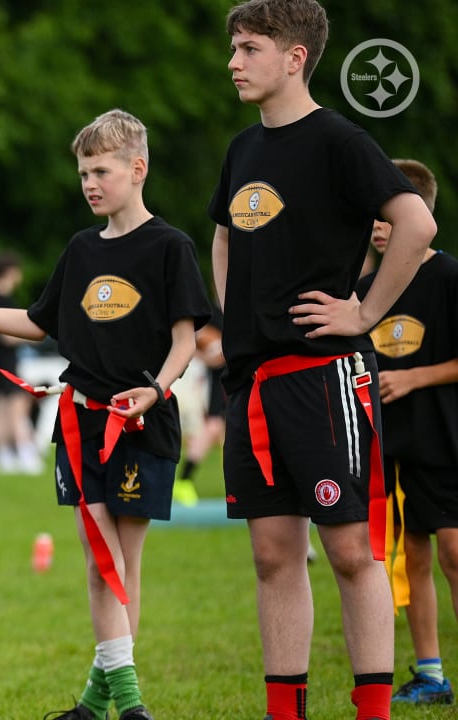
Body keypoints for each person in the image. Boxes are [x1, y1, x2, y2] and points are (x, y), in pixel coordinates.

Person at [208, 1, 437, 718]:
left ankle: (371, 712)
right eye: (234, 49)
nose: (233, 62)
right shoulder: (243, 150)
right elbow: (220, 237)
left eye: (248, 48)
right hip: (252, 384)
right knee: (274, 557)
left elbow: (415, 221)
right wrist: (233, 316)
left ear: (294, 57)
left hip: (323, 377)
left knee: (349, 554)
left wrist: (365, 313)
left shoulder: (338, 141)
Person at [0, 109, 210, 720]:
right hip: (80, 424)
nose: (89, 183)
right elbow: (39, 323)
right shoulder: (81, 249)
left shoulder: (171, 247)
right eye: (83, 173)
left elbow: (184, 340)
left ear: (137, 169)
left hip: (143, 422)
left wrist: (157, 390)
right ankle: (130, 704)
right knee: (100, 559)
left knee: (123, 563)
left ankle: (102, 701)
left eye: (101, 171)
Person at [356, 159, 457, 706]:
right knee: (409, 557)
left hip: (445, 440)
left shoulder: (449, 278)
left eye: (385, 214)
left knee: (455, 555)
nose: (376, 224)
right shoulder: (368, 290)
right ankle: (431, 675)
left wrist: (414, 377)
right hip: (391, 445)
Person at [0, 251, 43, 475]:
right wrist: (33, 335)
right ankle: (25, 453)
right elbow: (7, 336)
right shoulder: (3, 300)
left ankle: (3, 454)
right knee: (16, 405)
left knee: (1, 405)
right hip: (6, 359)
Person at [173, 305, 226, 507]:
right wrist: (210, 358)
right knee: (214, 428)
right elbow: (191, 342)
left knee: (216, 429)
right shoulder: (211, 313)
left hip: (228, 380)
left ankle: (185, 481)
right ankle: (184, 481)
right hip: (222, 382)